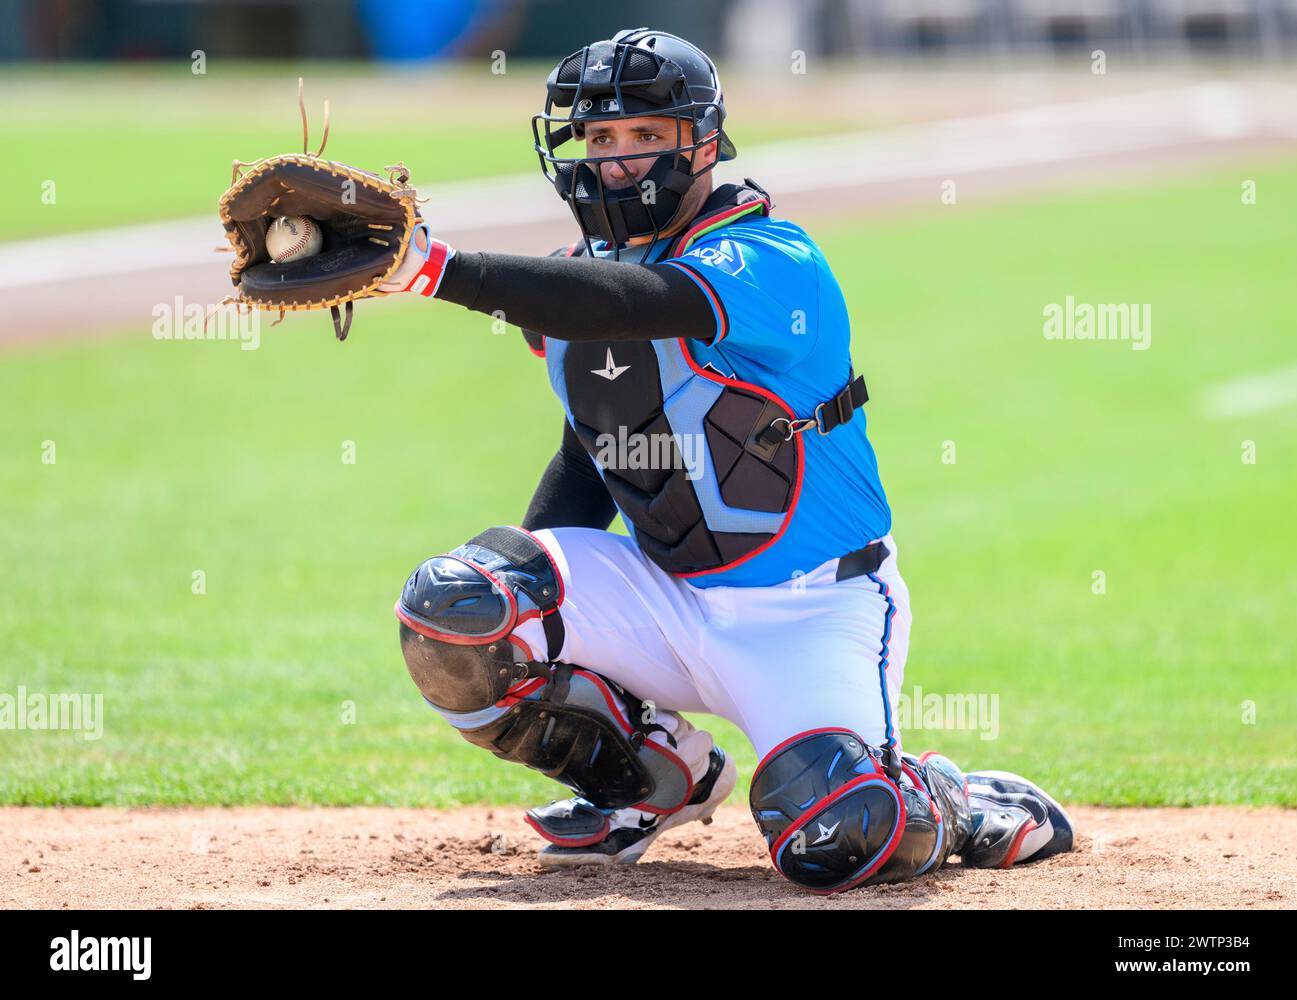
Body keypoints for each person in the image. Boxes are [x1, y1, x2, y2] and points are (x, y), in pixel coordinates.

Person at [382, 27, 1074, 893]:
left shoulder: (771, 258)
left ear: (702, 144)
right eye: (600, 139)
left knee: (840, 839)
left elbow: (646, 299)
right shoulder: (574, 285)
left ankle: (950, 798)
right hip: (666, 598)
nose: (618, 160)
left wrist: (433, 268)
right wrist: (536, 633)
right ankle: (651, 779)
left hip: (812, 611)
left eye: (646, 136)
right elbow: (590, 455)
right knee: (457, 609)